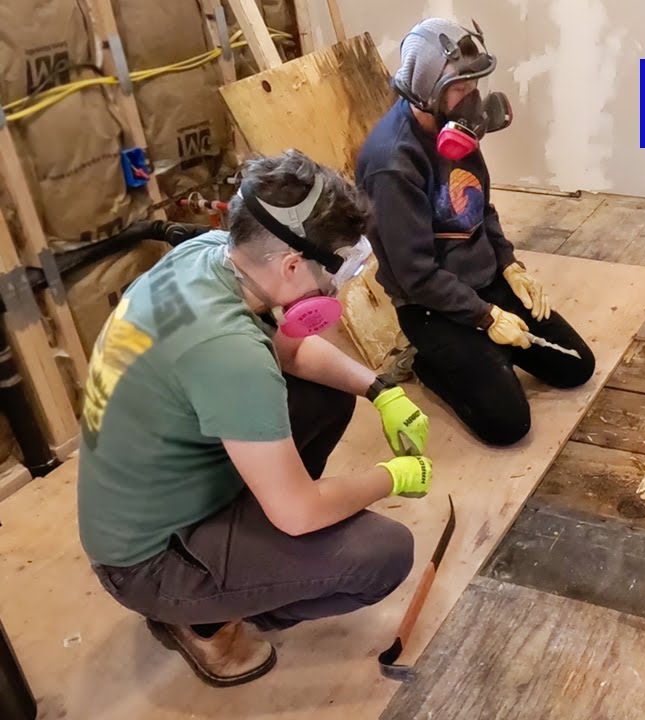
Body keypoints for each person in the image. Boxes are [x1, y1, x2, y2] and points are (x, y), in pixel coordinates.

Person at [76, 150, 436, 688]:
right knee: (382, 555)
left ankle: (251, 557)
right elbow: (295, 512)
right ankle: (207, 618)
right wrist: (394, 477)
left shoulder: (209, 254)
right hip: (147, 562)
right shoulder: (229, 353)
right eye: (332, 269)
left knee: (327, 396)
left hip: (147, 498)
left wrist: (380, 390)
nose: (334, 289)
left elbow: (290, 354)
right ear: (292, 265)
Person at [356, 17, 596, 447]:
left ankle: (486, 357)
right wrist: (486, 318)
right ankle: (431, 365)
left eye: (475, 85)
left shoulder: (458, 130)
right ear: (427, 90)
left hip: (483, 282)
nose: (474, 101)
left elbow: (479, 207)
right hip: (431, 306)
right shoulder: (393, 163)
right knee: (508, 426)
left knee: (577, 365)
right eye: (461, 89)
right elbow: (416, 275)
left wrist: (509, 265)